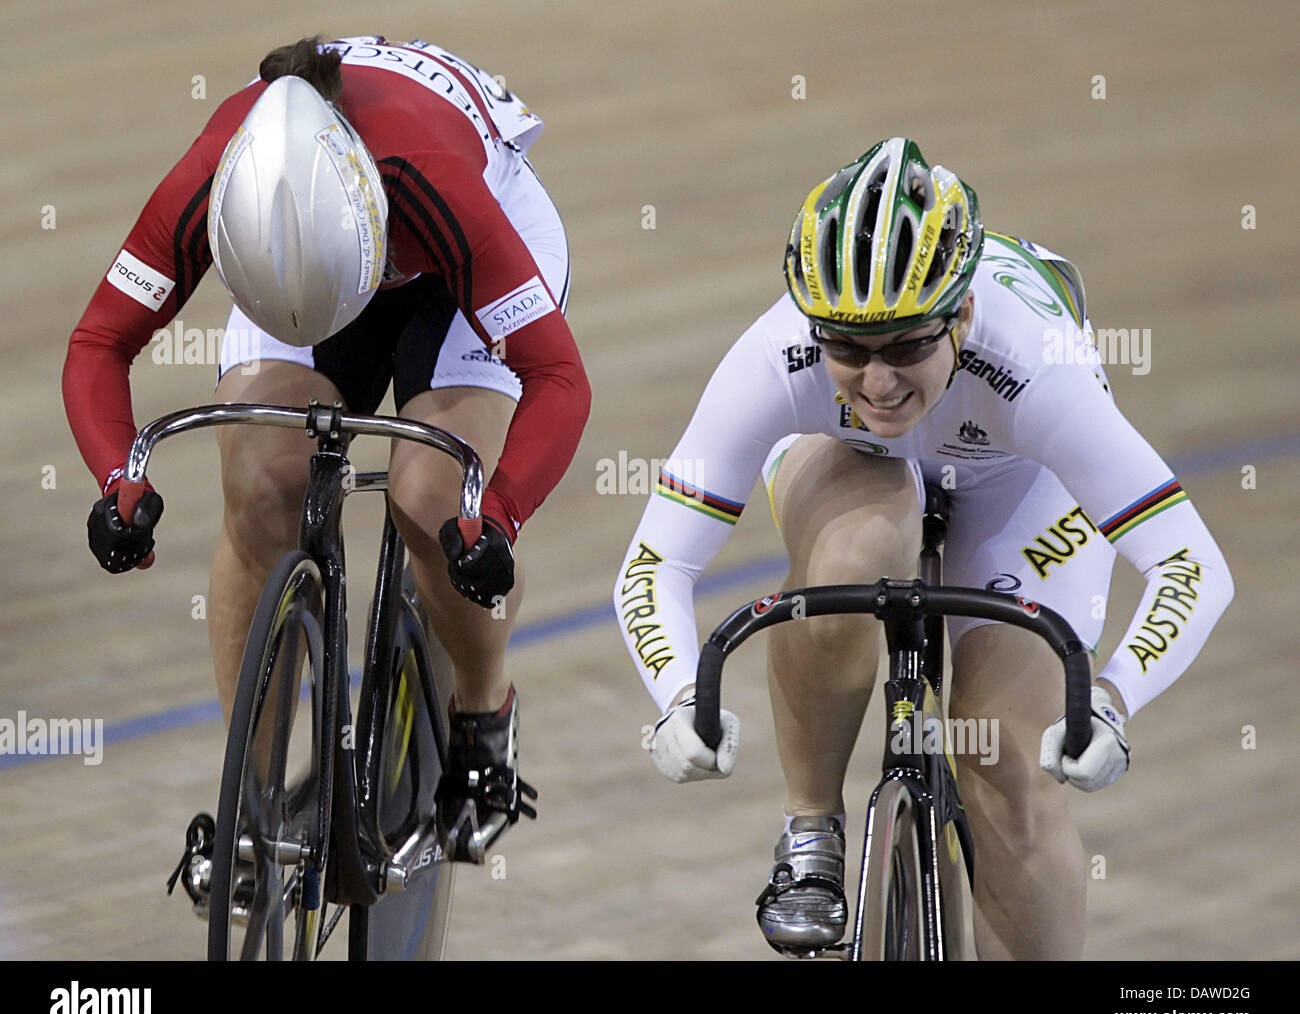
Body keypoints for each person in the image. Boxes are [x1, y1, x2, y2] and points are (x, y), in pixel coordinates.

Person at [614, 137, 1232, 958]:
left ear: (963, 316)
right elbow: (659, 558)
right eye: (847, 349)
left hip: (1018, 483)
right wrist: (673, 694)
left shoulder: (1039, 368)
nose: (876, 383)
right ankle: (810, 836)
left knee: (1009, 769)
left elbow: (1192, 564)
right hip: (855, 466)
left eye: (906, 345)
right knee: (850, 561)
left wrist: (1112, 701)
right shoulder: (776, 358)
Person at [65, 35, 591, 865]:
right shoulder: (211, 178)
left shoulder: (434, 183)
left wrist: (498, 511)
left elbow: (559, 376)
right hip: (300, 272)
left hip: (448, 266)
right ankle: (253, 801)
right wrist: (114, 480)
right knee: (265, 483)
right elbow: (100, 340)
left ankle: (485, 715)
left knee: (431, 495)